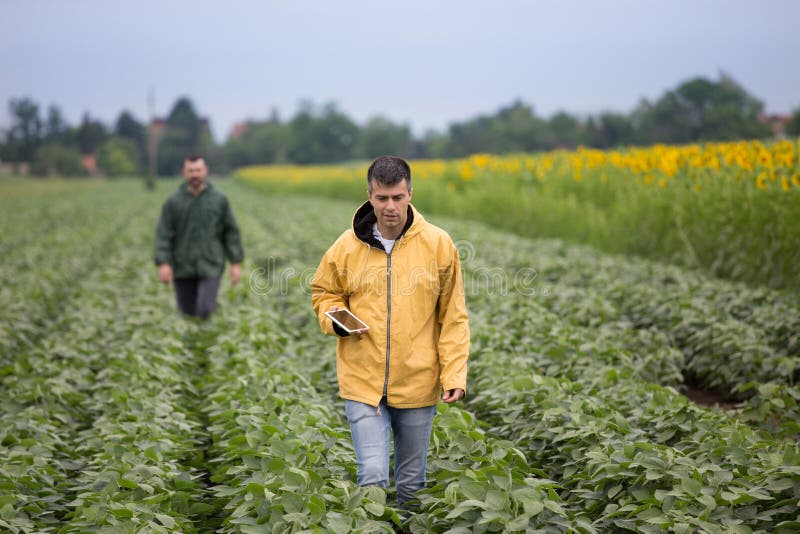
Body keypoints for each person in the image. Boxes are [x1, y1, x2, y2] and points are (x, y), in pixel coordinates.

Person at [311, 156, 470, 508]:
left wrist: (454, 373)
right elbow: (325, 292)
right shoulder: (346, 246)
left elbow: (453, 316)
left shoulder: (439, 245)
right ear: (369, 196)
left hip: (417, 379)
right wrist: (339, 320)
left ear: (410, 194)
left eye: (398, 197)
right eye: (382, 198)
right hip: (362, 379)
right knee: (372, 477)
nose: (390, 207)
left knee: (412, 486)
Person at [154, 154, 243, 319]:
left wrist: (235, 263)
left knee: (204, 309)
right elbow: (164, 233)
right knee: (186, 314)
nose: (195, 174)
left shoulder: (219, 199)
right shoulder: (173, 202)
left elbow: (231, 231)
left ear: (205, 171)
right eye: (191, 171)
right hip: (182, 265)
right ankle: (191, 344)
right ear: (184, 173)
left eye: (198, 170)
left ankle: (208, 339)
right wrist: (163, 263)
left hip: (211, 264)